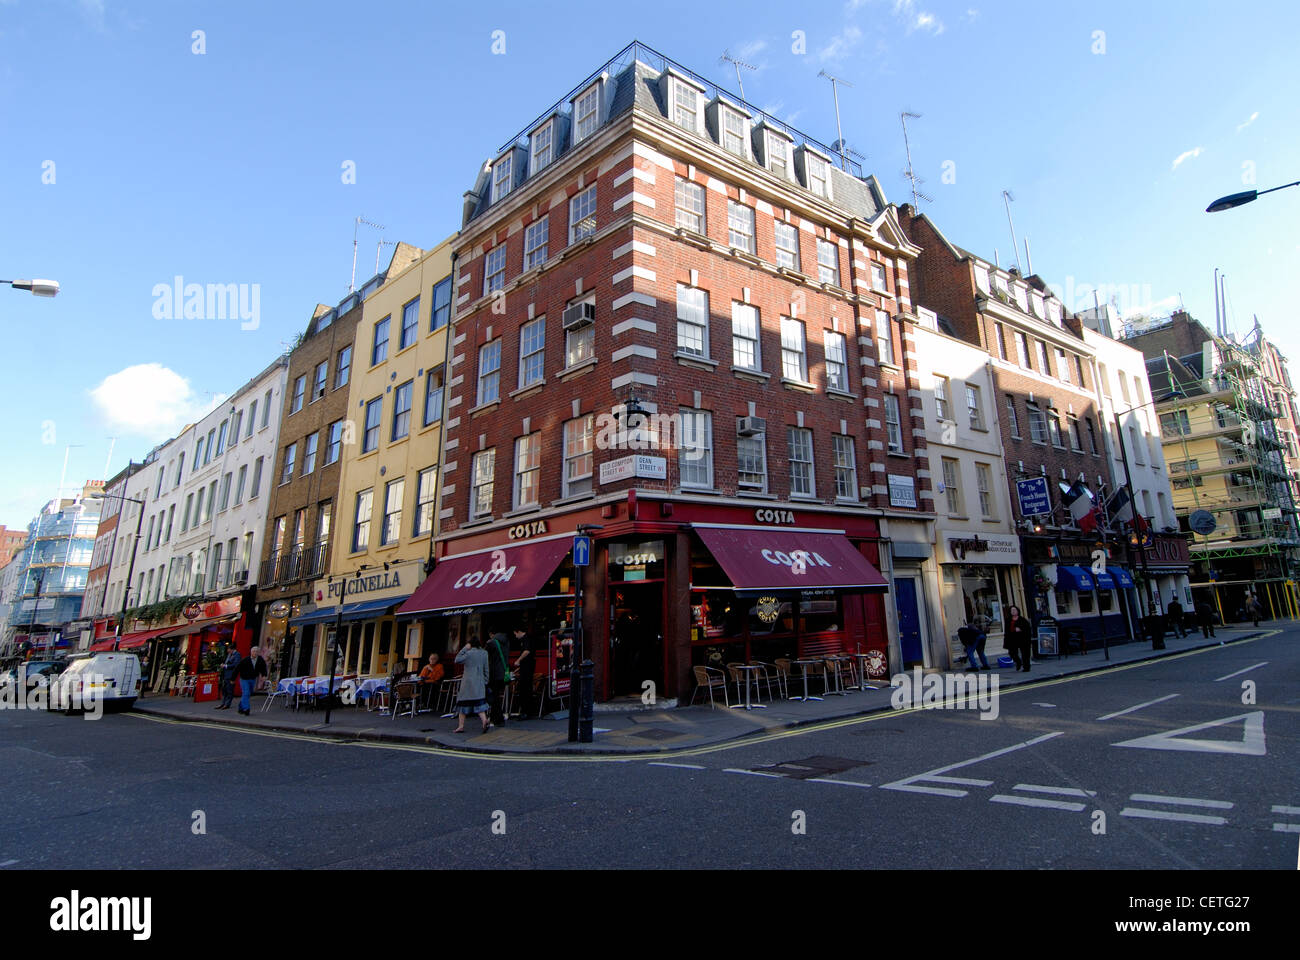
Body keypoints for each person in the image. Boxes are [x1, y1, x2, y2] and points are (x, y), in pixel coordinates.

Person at [453, 636, 491, 733]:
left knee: (462, 704)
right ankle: (484, 721)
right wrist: (485, 680)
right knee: (479, 704)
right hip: (480, 681)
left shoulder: (468, 653)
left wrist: (465, 648)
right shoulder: (484, 653)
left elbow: (457, 659)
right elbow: (486, 668)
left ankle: (461, 726)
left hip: (468, 682)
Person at [510, 627, 536, 720]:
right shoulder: (528, 638)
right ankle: (527, 711)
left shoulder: (526, 639)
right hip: (527, 668)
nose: (516, 636)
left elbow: (526, 651)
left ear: (519, 631)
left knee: (524, 689)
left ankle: (525, 712)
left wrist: (518, 660)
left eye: (515, 634)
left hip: (527, 669)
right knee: (526, 689)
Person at [486, 632, 510, 726]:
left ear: (491, 634)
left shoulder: (491, 643)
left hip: (494, 673)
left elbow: (485, 656)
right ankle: (495, 718)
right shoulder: (506, 642)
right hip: (503, 673)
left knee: (493, 696)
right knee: (497, 696)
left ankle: (498, 719)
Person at [236, 645, 268, 715]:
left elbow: (263, 667)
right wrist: (232, 679)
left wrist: (264, 675)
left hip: (252, 679)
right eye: (254, 651)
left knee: (247, 694)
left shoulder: (260, 659)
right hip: (244, 679)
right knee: (246, 693)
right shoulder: (245, 659)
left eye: (257, 651)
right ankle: (246, 709)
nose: (255, 653)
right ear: (251, 652)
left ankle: (240, 707)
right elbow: (237, 668)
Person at [1004, 606, 1033, 673]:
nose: (1013, 611)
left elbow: (1028, 629)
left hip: (1023, 639)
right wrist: (1014, 630)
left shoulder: (1022, 620)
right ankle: (1018, 662)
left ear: (1018, 611)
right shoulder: (1008, 620)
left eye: (1014, 610)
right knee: (1012, 653)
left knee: (1025, 654)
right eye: (1012, 610)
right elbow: (1007, 630)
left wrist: (1021, 629)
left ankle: (1026, 667)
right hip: (1012, 639)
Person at [217, 643, 242, 710]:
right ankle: (223, 703)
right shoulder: (229, 655)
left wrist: (226, 666)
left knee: (229, 690)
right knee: (224, 689)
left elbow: (236, 664)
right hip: (226, 674)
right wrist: (224, 665)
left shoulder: (237, 655)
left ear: (232, 649)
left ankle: (227, 704)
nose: (228, 650)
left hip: (231, 674)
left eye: (228, 649)